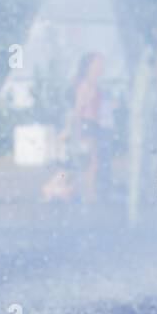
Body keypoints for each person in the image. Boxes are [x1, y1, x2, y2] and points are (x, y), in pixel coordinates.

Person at [42, 52, 108, 202]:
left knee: (78, 164)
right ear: (88, 67)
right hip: (85, 127)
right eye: (98, 64)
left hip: (90, 127)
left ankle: (61, 188)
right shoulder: (85, 85)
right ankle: (87, 195)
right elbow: (77, 110)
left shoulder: (91, 85)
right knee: (87, 164)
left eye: (102, 64)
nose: (101, 68)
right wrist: (73, 131)